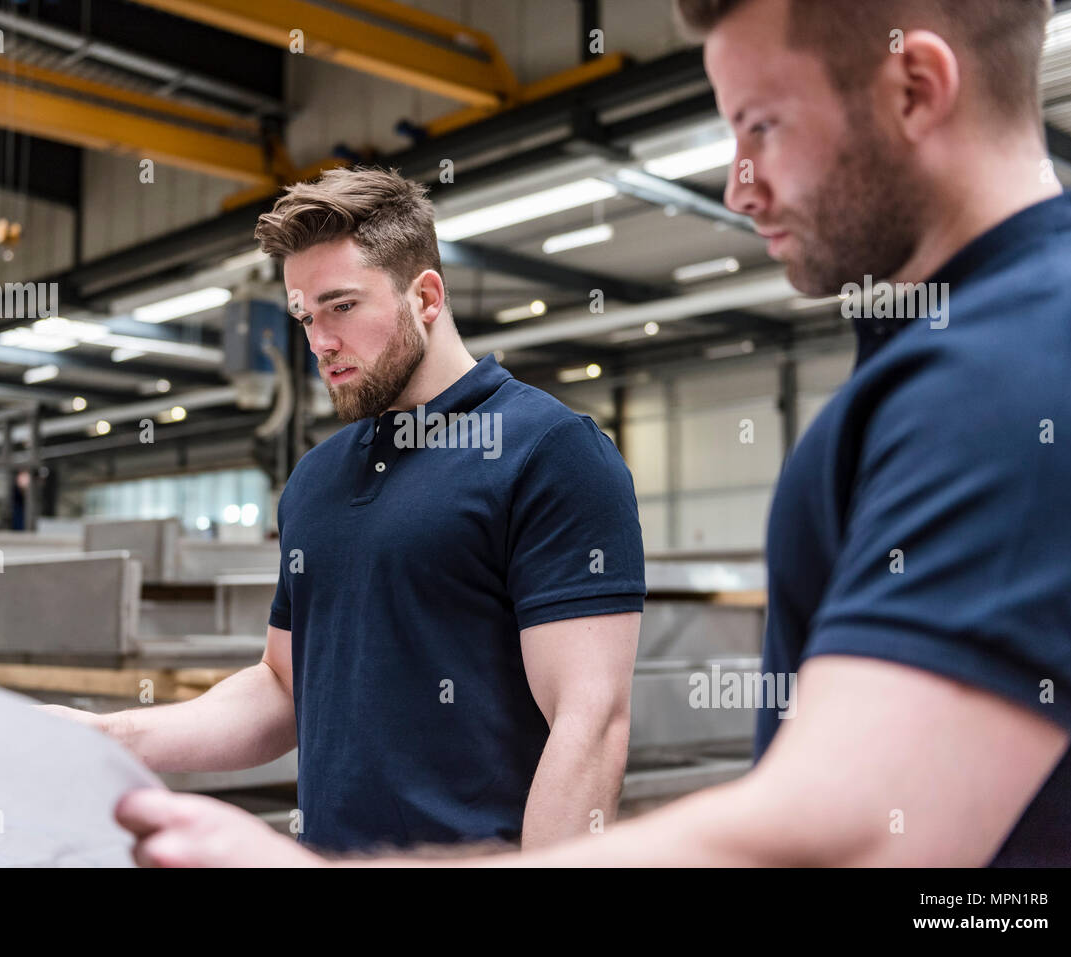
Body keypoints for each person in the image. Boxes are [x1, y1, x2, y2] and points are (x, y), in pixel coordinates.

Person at [114, 0, 1071, 867]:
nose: (737, 187)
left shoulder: (1017, 372)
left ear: (916, 87)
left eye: (761, 125)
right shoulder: (943, 357)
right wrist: (109, 740)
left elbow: (852, 830)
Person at [56, 167, 646, 854]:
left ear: (425, 295)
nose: (319, 342)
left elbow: (591, 721)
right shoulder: (315, 479)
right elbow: (282, 688)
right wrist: (107, 735)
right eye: (305, 315)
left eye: (341, 307)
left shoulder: (548, 451)